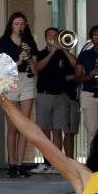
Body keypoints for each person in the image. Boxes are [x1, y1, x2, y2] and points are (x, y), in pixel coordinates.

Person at [0, 12, 39, 177]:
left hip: (27, 80)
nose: (20, 26)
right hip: (11, 80)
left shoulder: (29, 42)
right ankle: (12, 164)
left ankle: (21, 164)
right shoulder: (4, 42)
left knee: (24, 125)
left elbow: (36, 69)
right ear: (11, 25)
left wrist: (28, 57)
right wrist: (18, 62)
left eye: (22, 23)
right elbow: (1, 69)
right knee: (13, 126)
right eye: (16, 23)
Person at [32, 27, 78, 172]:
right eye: (50, 36)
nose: (52, 38)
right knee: (44, 131)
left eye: (55, 36)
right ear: (45, 39)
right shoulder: (40, 54)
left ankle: (57, 164)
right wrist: (51, 53)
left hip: (61, 97)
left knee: (57, 131)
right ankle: (47, 162)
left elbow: (75, 64)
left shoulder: (64, 54)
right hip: (44, 95)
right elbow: (37, 68)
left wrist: (63, 49)